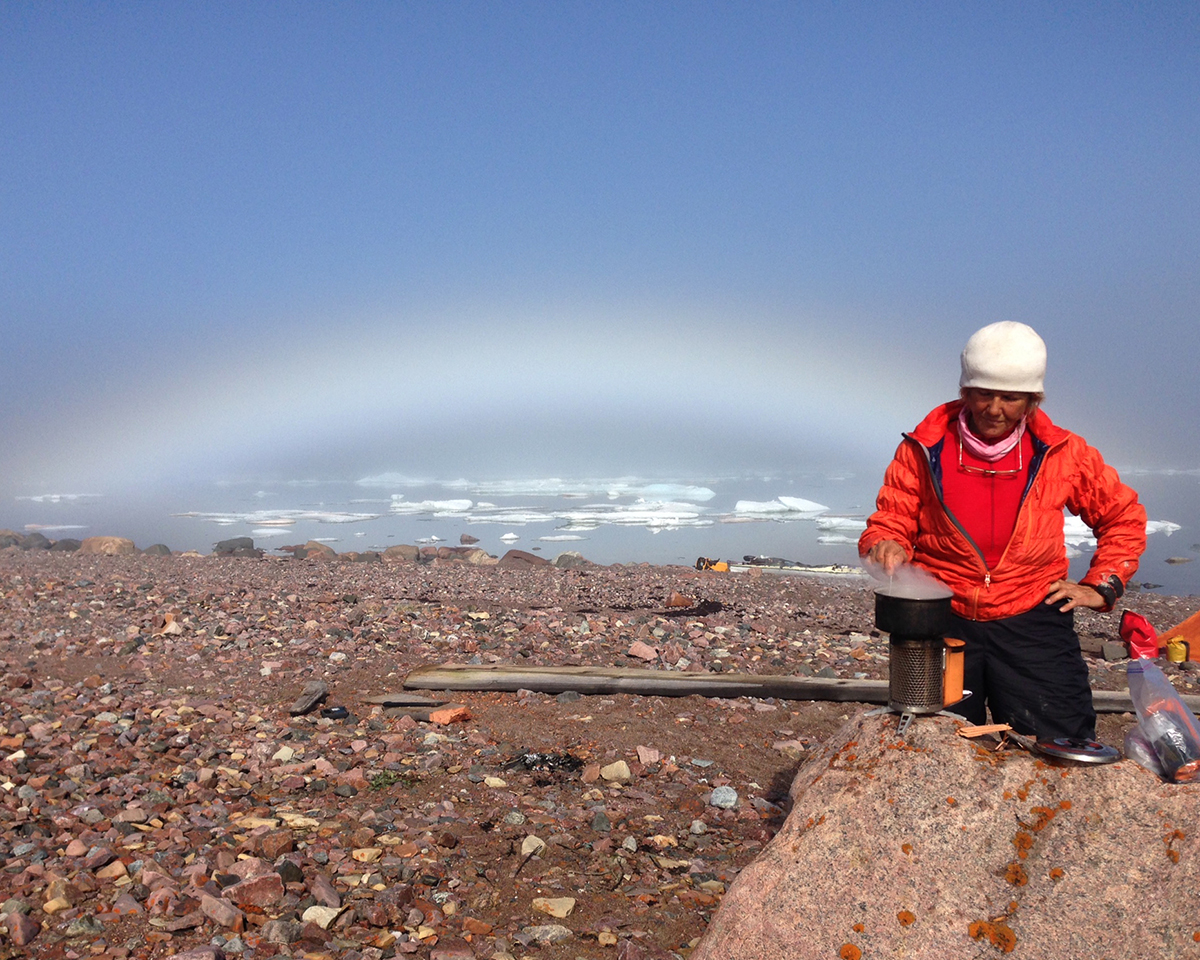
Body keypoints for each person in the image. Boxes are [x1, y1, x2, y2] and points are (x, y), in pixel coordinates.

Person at [858, 321, 1146, 741]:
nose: (994, 409)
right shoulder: (923, 447)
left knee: (1059, 742)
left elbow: (1123, 516)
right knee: (937, 743)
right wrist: (887, 542)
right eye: (983, 394)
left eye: (1010, 398)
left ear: (1032, 400)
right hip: (942, 618)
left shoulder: (1065, 453)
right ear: (965, 391)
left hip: (1034, 616)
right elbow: (892, 517)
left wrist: (1101, 585)